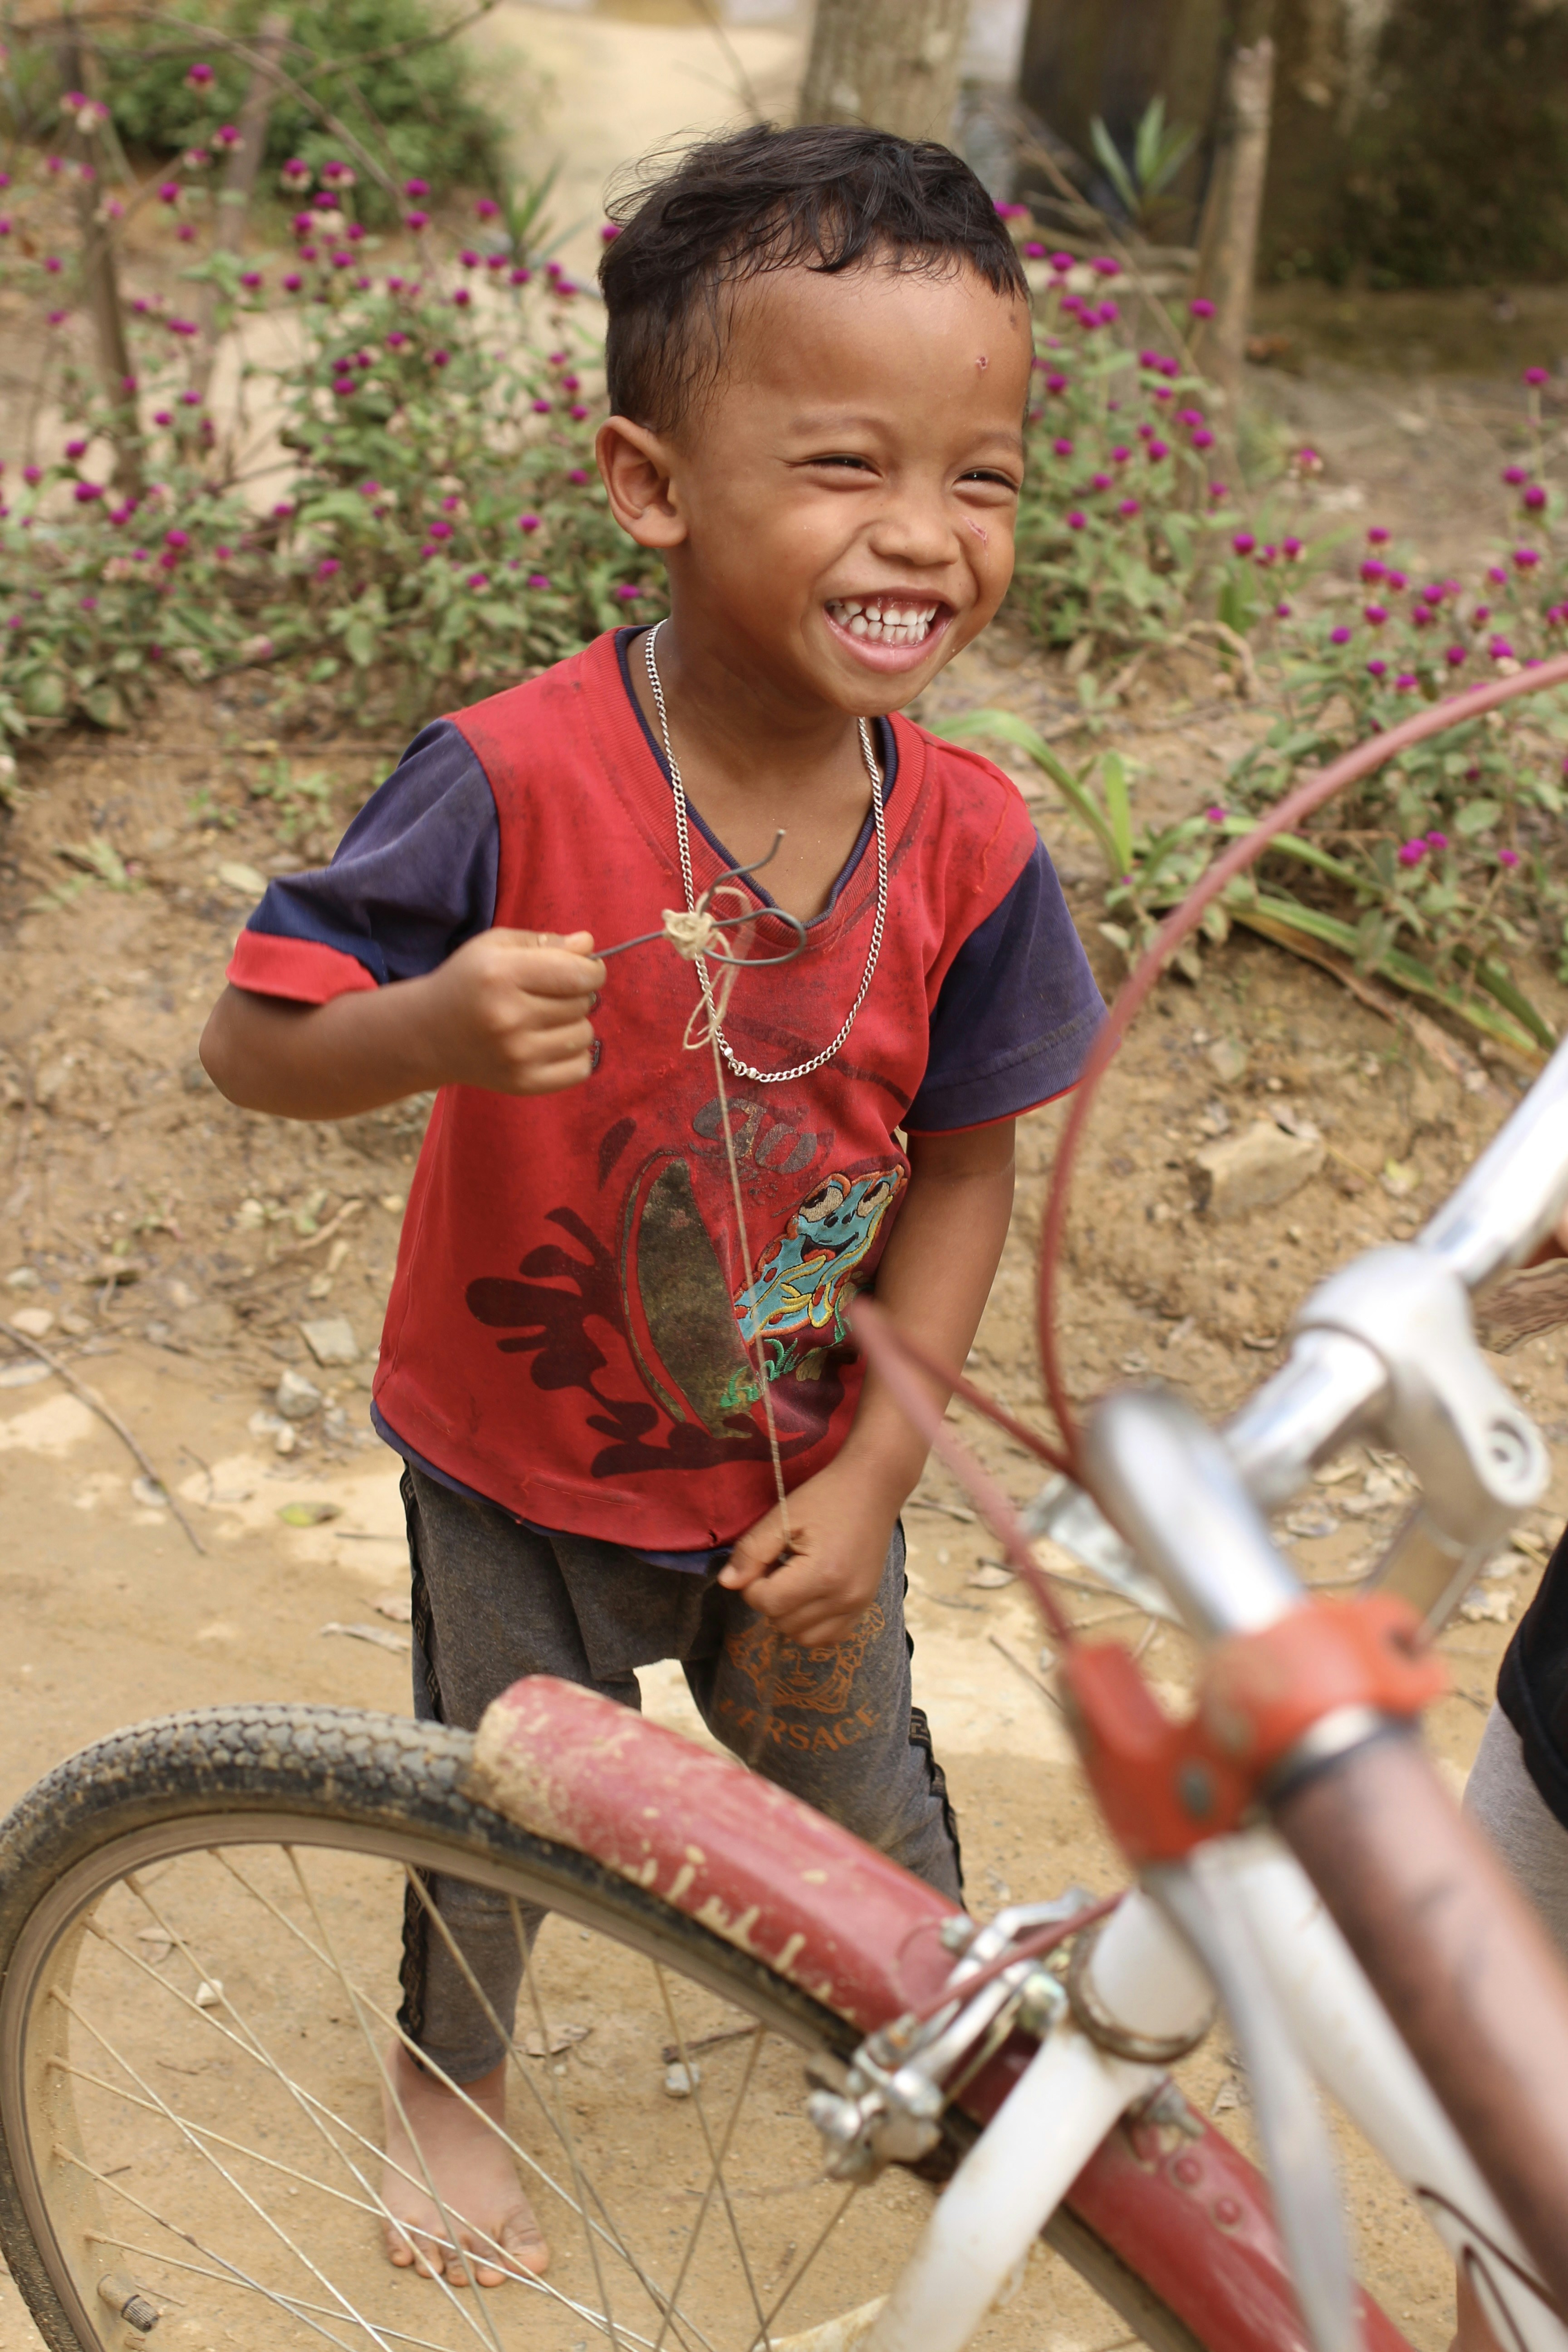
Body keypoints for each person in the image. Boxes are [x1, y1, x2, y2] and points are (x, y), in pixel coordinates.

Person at [200, 121, 1102, 2288]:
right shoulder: (510, 776)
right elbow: (253, 1040)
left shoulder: (972, 844)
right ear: (648, 484)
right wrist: (417, 1034)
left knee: (865, 1794)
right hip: (519, 1457)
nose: (923, 535)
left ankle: (955, 2047)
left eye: (978, 477)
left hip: (800, 1463)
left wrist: (887, 1465)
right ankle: (452, 2091)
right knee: (499, 1797)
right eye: (844, 466)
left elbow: (967, 1163)